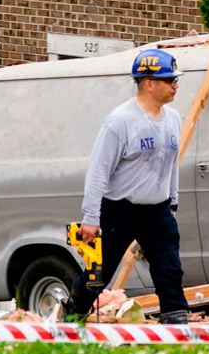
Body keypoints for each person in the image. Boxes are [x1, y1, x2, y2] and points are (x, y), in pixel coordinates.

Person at [69, 48, 190, 324]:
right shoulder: (120, 121)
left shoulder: (172, 118)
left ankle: (176, 320)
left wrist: (172, 200)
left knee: (169, 267)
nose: (175, 85)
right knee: (98, 273)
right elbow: (98, 171)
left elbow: (171, 161)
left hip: (157, 209)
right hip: (119, 210)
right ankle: (75, 310)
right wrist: (91, 217)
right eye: (169, 79)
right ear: (149, 83)